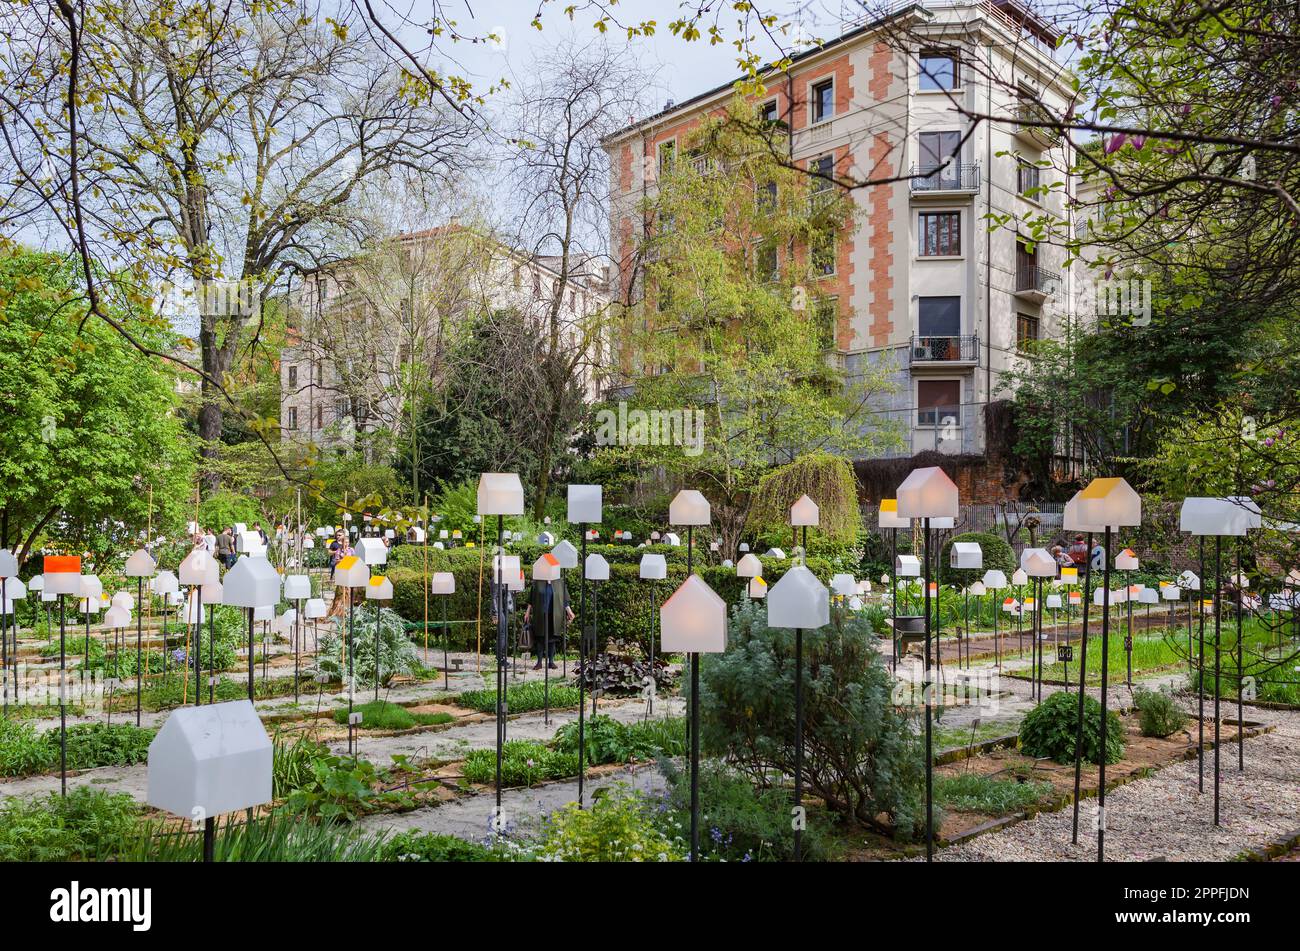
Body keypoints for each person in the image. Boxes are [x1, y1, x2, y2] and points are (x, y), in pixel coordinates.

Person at [523, 573, 573, 670]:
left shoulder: (559, 582)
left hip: (554, 615)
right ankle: (539, 662)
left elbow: (564, 600)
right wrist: (527, 613)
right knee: (540, 638)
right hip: (540, 615)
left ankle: (551, 662)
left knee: (552, 639)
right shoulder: (538, 582)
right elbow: (531, 600)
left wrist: (569, 612)